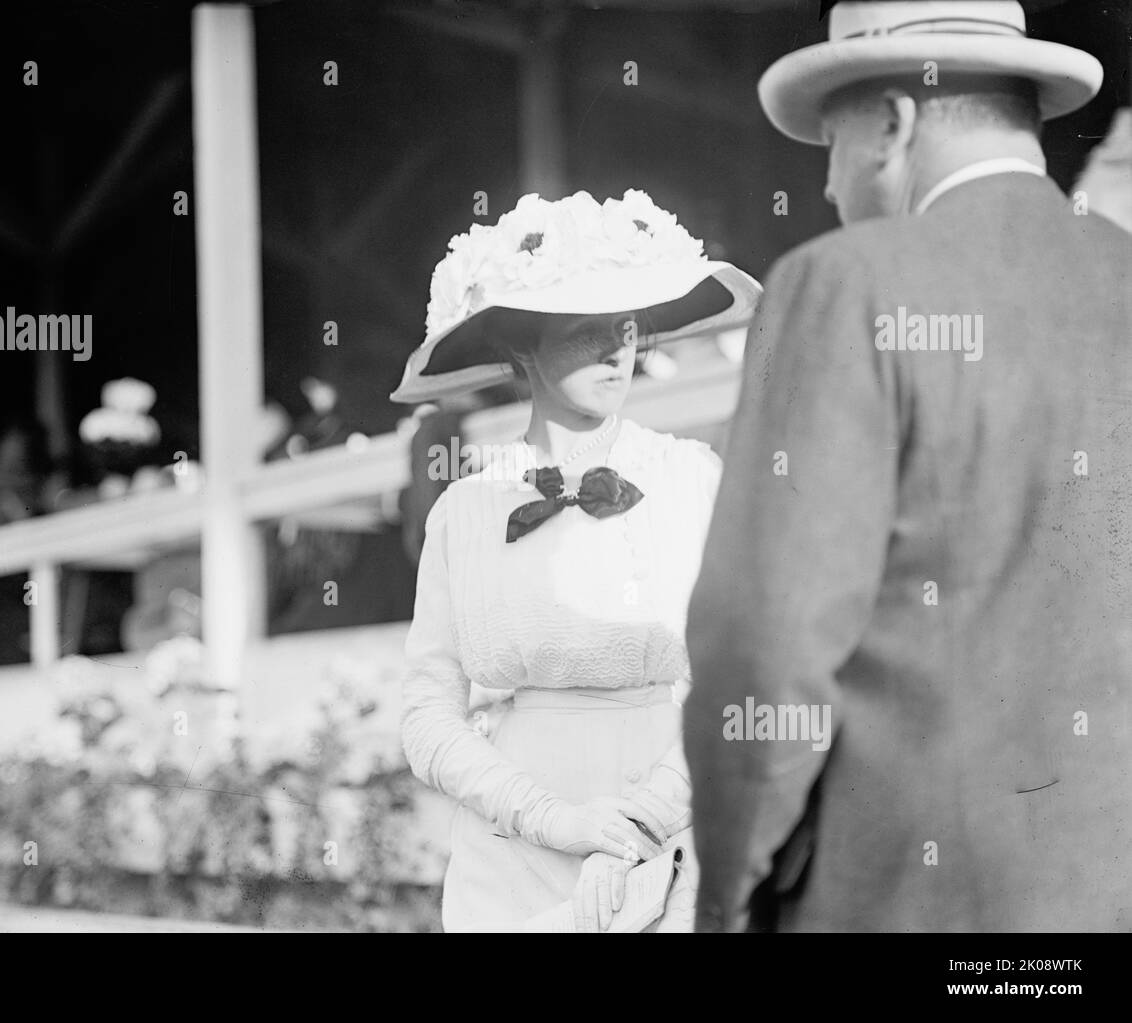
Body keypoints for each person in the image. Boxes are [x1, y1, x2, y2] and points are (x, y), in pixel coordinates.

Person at [684, 0, 1131, 932]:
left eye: (831, 143)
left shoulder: (842, 282)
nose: (826, 186)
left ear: (893, 123)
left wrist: (726, 896)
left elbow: (765, 644)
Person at [395, 190, 761, 931]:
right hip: (512, 852)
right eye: (584, 327)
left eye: (626, 326)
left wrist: (637, 825)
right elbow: (428, 710)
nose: (615, 348)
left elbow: (737, 679)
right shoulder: (464, 511)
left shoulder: (692, 479)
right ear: (520, 345)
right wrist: (554, 819)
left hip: (668, 832)